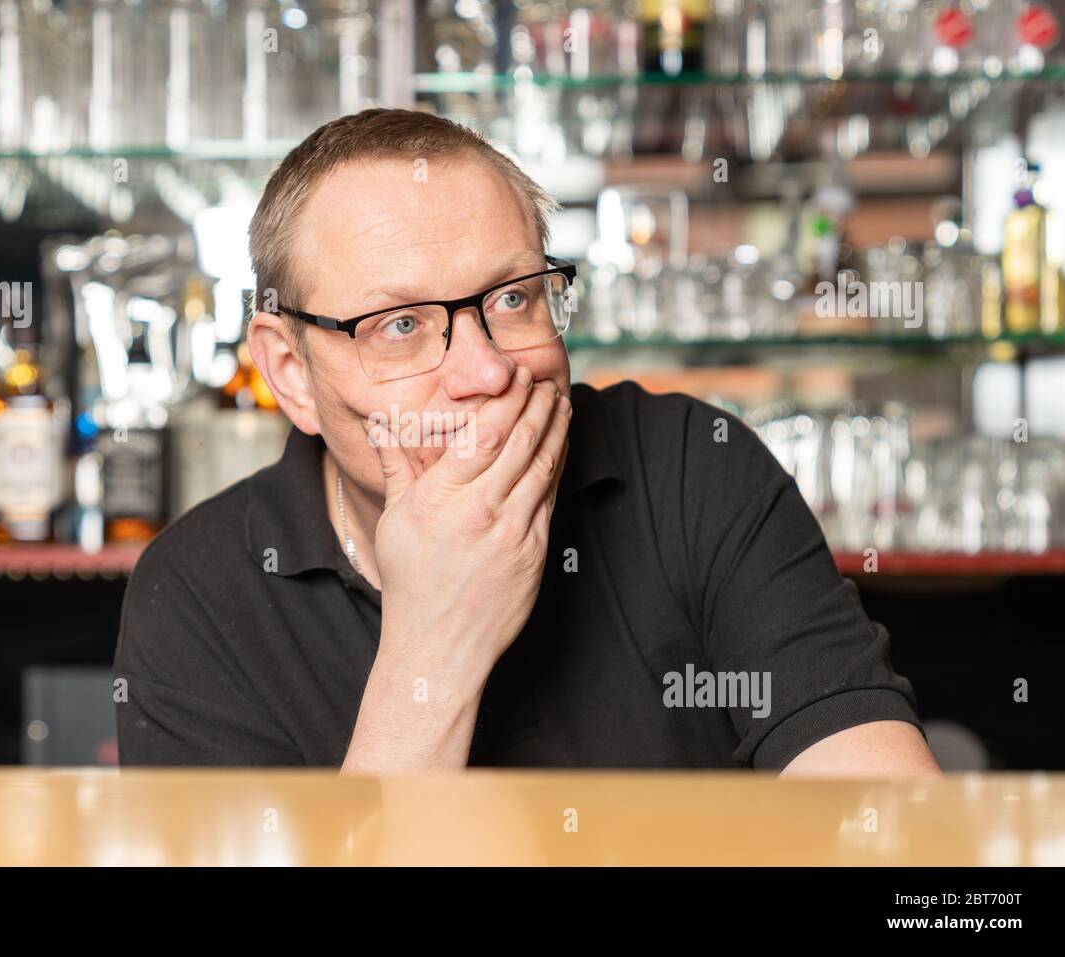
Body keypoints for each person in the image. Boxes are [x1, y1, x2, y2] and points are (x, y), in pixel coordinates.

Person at [114, 108, 940, 776]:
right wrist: (432, 647)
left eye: (513, 300)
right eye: (401, 324)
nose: (486, 371)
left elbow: (899, 851)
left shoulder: (693, 465)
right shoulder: (199, 592)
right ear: (289, 371)